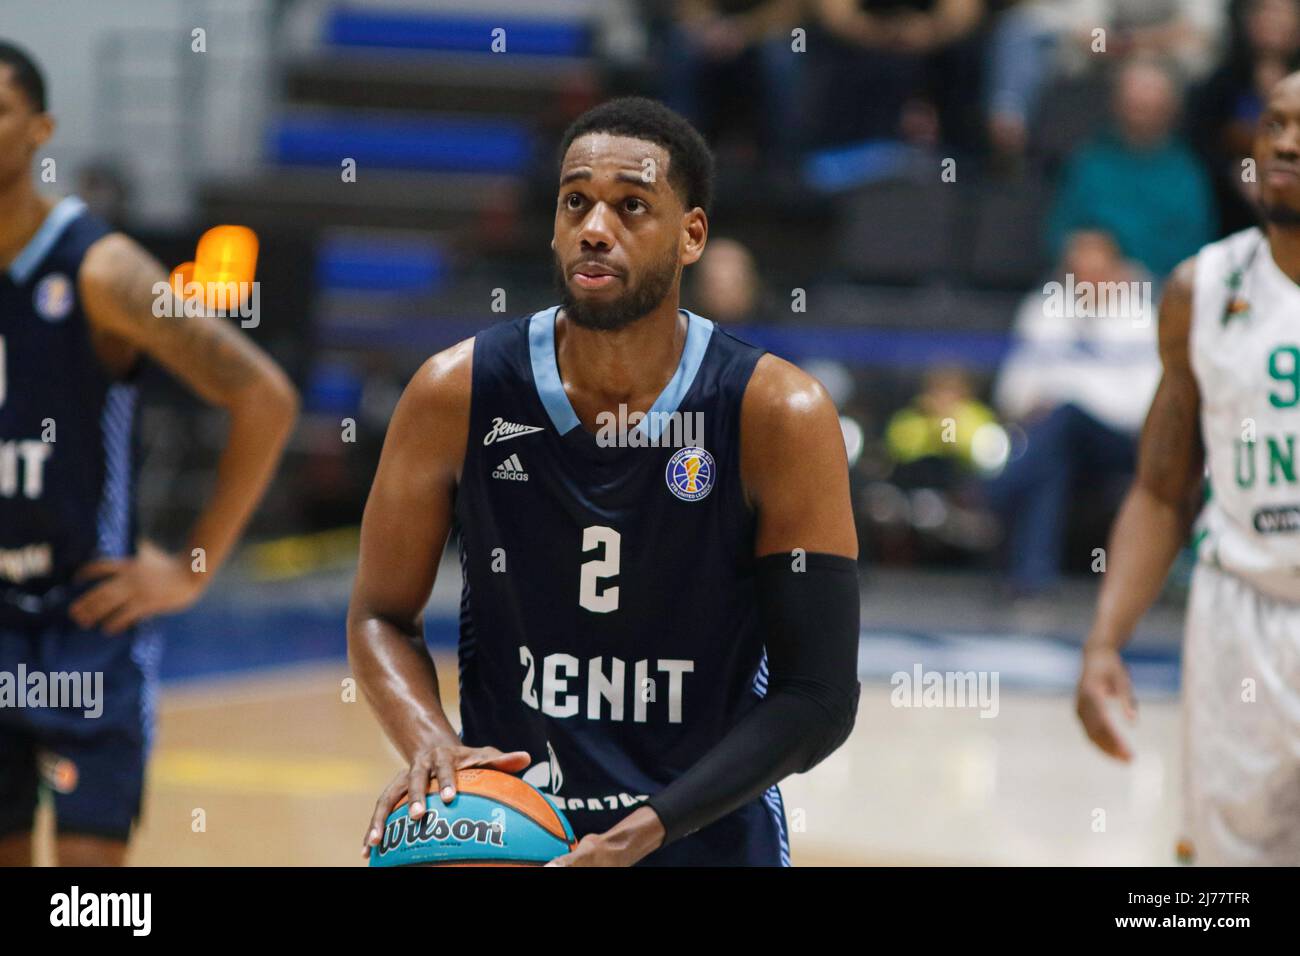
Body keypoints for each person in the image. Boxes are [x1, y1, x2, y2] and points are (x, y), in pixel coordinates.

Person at [349, 97, 860, 866]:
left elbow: (819, 697)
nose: (594, 227)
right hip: (520, 837)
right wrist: (432, 744)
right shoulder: (456, 392)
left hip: (707, 840)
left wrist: (646, 830)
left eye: (631, 206)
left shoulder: (778, 412)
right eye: (576, 202)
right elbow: (380, 615)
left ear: (692, 235)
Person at [0, 42, 299, 866]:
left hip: (87, 621)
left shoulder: (101, 270)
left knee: (90, 891)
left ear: (41, 130)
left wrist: (194, 568)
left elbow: (263, 396)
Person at [1076, 71, 1300, 865]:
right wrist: (1105, 642)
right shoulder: (1200, 290)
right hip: (1242, 614)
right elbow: (1163, 488)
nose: (1286, 144)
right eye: (1274, 123)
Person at [990, 228, 1160, 595]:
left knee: (1065, 419)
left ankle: (993, 490)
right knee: (1052, 457)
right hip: (1055, 436)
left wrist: (1079, 400)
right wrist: (1040, 404)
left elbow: (1146, 405)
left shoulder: (1141, 317)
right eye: (1079, 272)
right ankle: (1032, 579)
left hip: (1119, 441)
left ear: (1116, 271)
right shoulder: (1042, 311)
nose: (1087, 282)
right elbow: (1012, 392)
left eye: (1097, 273)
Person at [1046, 56, 1216, 279]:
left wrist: (1129, 269)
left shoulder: (1188, 173)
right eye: (1132, 94)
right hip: (1081, 278)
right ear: (1116, 100)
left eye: (1150, 94)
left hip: (1154, 284)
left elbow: (1193, 249)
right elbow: (1058, 229)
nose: (1139, 102)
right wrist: (1079, 252)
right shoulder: (1088, 159)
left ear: (1172, 106)